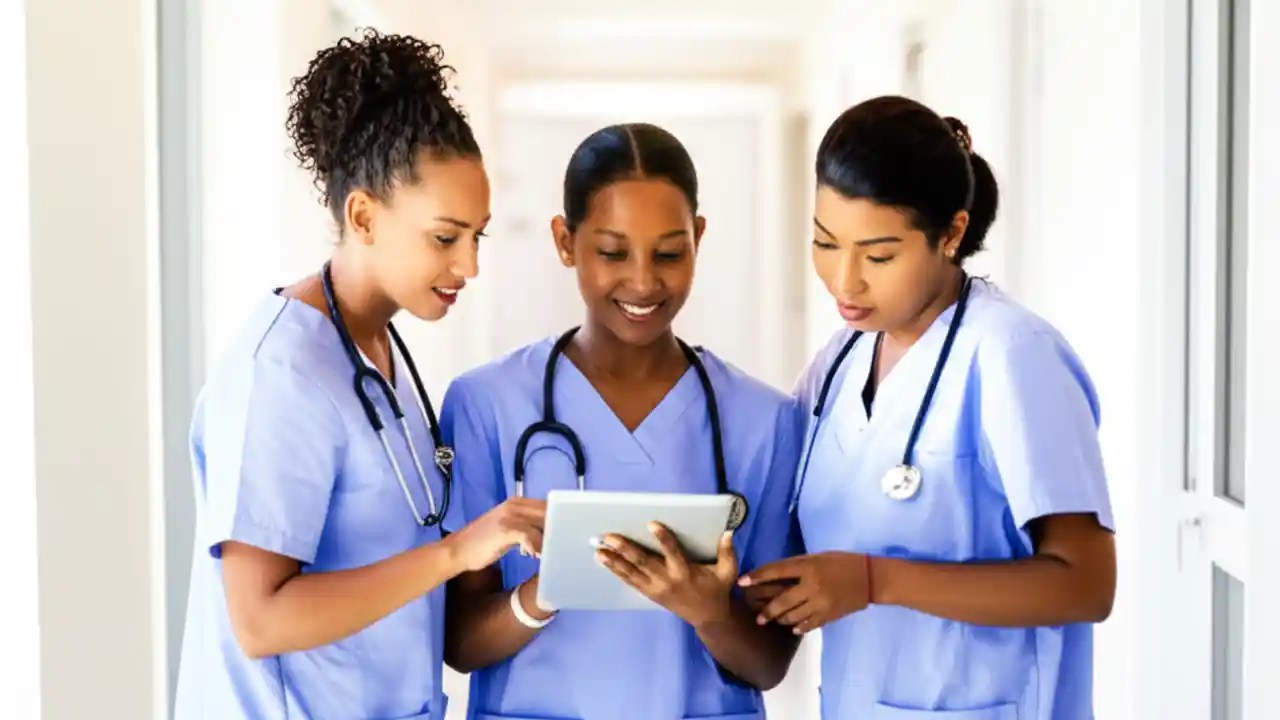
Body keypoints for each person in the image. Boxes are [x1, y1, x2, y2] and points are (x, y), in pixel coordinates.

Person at [174, 31, 544, 719]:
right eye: (445, 237)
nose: (469, 266)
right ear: (363, 216)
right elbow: (261, 620)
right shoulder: (281, 372)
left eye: (477, 236)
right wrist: (457, 552)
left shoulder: (383, 354)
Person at [739, 96, 1117, 720]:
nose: (844, 280)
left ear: (951, 234)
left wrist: (873, 581)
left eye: (879, 255)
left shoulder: (1011, 354)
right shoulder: (841, 360)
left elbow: (1085, 582)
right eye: (825, 243)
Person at [440, 123, 802, 720]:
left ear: (698, 240)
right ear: (564, 241)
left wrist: (708, 612)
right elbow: (460, 643)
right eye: (611, 252)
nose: (642, 281)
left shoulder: (764, 421)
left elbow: (767, 663)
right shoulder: (486, 404)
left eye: (669, 253)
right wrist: (544, 594)